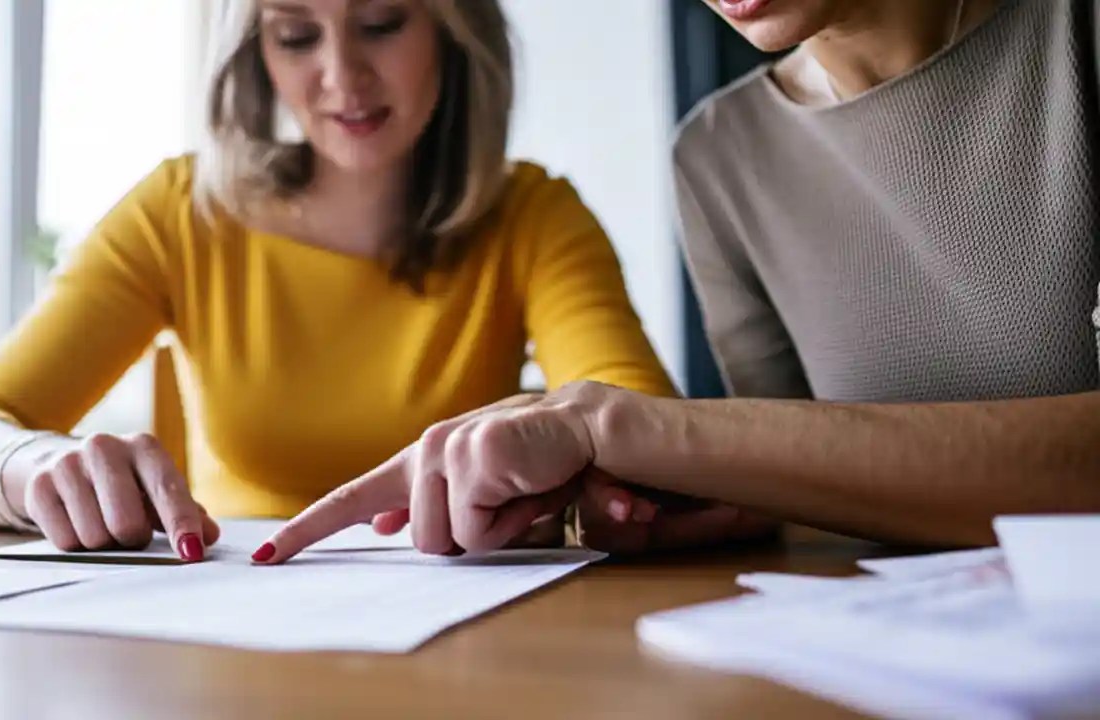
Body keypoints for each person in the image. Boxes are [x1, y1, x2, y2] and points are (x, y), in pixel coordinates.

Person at [253, 0, 1100, 564]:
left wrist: (631, 429)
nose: (340, 72)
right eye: (296, 34)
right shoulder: (719, 156)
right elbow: (814, 504)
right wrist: (679, 497)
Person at [0, 0, 675, 562]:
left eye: (382, 23)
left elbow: (653, 436)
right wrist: (30, 468)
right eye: (296, 35)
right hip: (228, 623)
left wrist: (584, 480)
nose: (342, 76)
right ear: (257, 52)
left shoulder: (534, 216)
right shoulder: (180, 211)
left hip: (470, 627)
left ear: (453, 26)